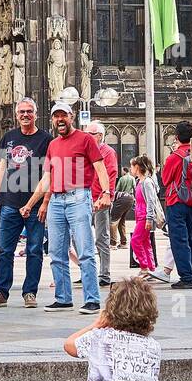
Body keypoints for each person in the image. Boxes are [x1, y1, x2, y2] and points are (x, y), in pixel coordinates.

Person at [21, 101, 111, 315]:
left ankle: (92, 299)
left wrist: (106, 193)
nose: (60, 120)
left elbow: (100, 167)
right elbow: (47, 178)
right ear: (52, 120)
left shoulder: (86, 139)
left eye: (63, 115)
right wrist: (30, 204)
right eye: (56, 116)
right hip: (56, 201)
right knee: (56, 252)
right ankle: (63, 298)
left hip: (79, 197)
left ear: (72, 117)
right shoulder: (53, 145)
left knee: (85, 250)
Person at [0, 97, 52, 308]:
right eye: (22, 111)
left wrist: (43, 203)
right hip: (10, 203)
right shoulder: (8, 138)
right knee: (5, 250)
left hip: (34, 206)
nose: (25, 115)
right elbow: (2, 169)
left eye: (29, 111)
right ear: (16, 115)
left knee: (34, 250)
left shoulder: (46, 140)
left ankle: (30, 292)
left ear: (36, 114)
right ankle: (1, 292)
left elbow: (49, 175)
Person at [161, 120, 192, 289]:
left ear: (177, 137)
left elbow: (165, 180)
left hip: (177, 200)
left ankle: (187, 277)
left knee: (179, 240)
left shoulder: (175, 156)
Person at [85, 121, 119, 287]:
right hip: (85, 198)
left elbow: (111, 175)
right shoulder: (86, 150)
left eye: (90, 134)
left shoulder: (108, 152)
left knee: (101, 237)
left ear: (99, 135)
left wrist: (106, 196)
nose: (87, 136)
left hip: (100, 199)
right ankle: (88, 270)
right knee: (81, 237)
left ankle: (104, 274)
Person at [129, 156, 164, 279]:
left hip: (145, 217)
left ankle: (144, 268)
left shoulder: (147, 182)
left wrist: (149, 218)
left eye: (132, 166)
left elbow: (151, 201)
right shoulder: (140, 181)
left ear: (137, 167)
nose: (130, 169)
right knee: (145, 242)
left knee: (135, 241)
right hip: (140, 216)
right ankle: (151, 268)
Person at [111, 167, 135, 247]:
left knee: (113, 221)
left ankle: (113, 243)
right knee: (122, 221)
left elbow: (117, 189)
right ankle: (123, 242)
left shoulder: (122, 179)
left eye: (122, 171)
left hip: (121, 198)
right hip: (130, 198)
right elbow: (135, 188)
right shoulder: (132, 178)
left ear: (124, 171)